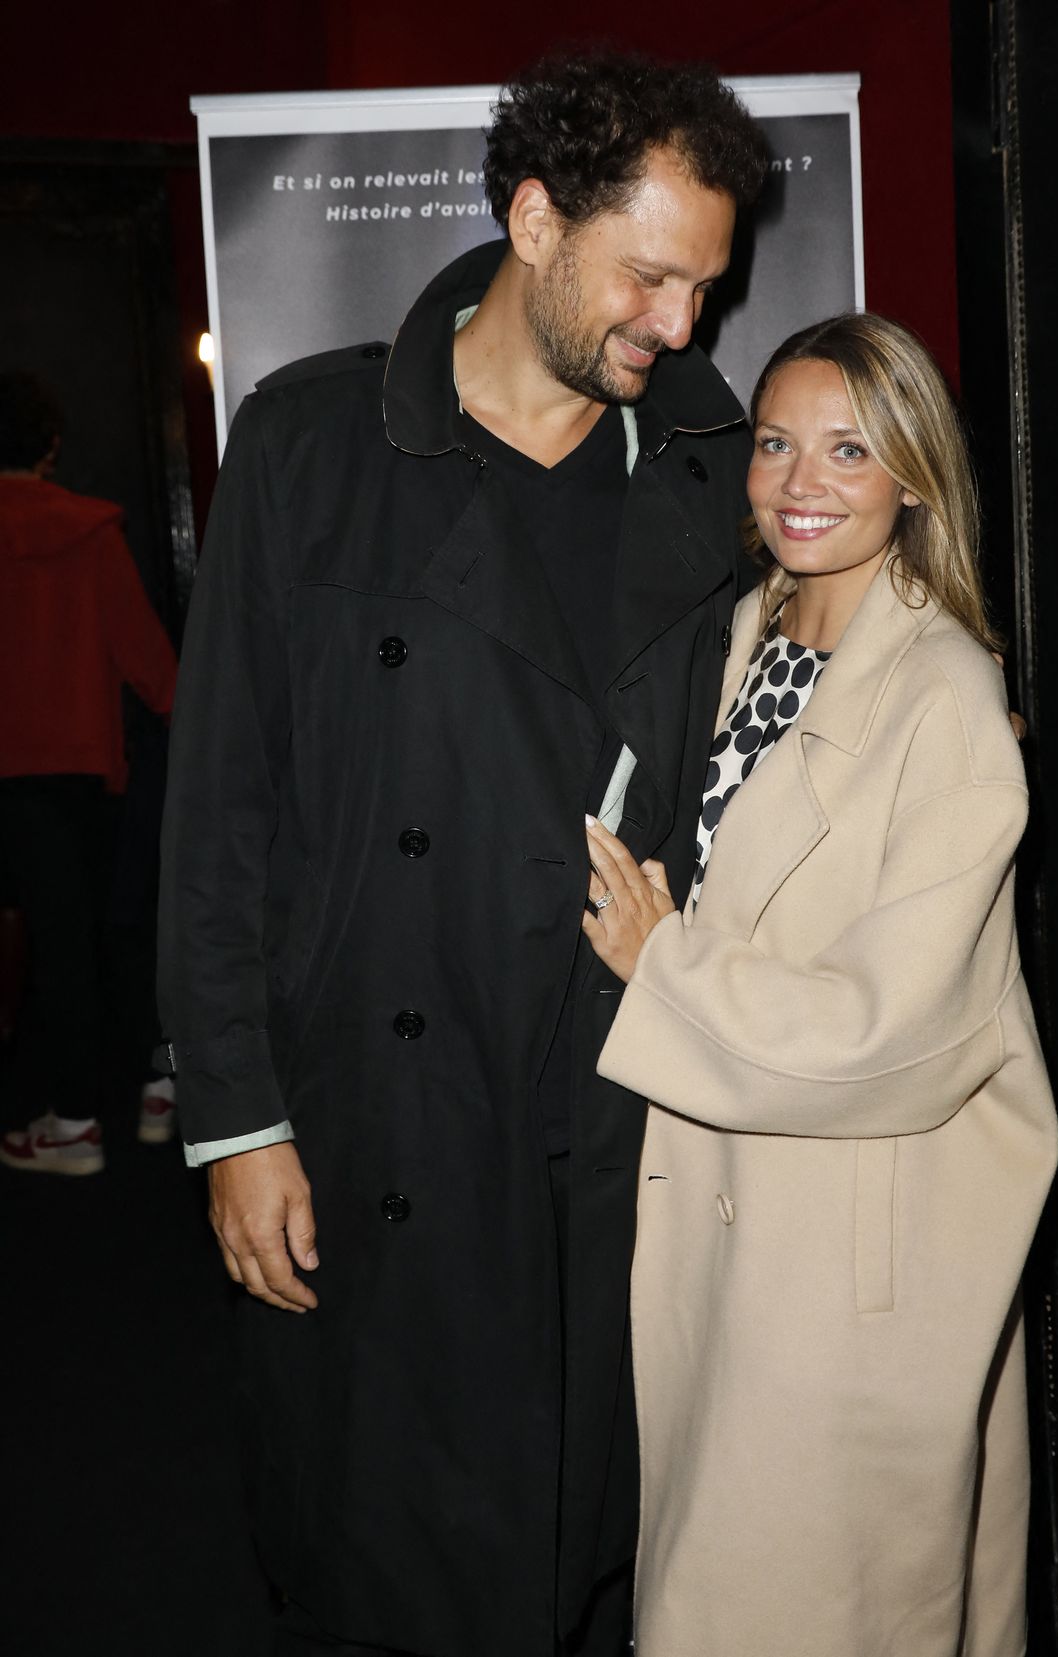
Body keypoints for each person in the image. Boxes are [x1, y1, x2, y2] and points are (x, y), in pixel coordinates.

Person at [157, 51, 769, 1657]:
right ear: (533, 218)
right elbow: (219, 811)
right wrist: (236, 1118)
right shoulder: (313, 447)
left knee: (596, 1550)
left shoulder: (714, 468)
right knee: (389, 1559)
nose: (683, 327)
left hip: (607, 1104)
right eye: (651, 278)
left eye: (703, 289)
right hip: (380, 1109)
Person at [583, 314, 1058, 1657]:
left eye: (850, 450)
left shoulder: (950, 697)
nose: (801, 482)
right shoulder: (744, 637)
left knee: (819, 1604)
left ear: (913, 473)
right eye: (778, 444)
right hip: (734, 1199)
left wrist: (661, 961)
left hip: (860, 1245)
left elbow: (890, 1027)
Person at [0, 373, 178, 1173]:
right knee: (108, 934)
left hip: (9, 777)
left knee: (49, 947)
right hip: (85, 770)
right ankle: (130, 1098)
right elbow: (148, 663)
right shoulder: (88, 532)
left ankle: (71, 1119)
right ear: (52, 445)